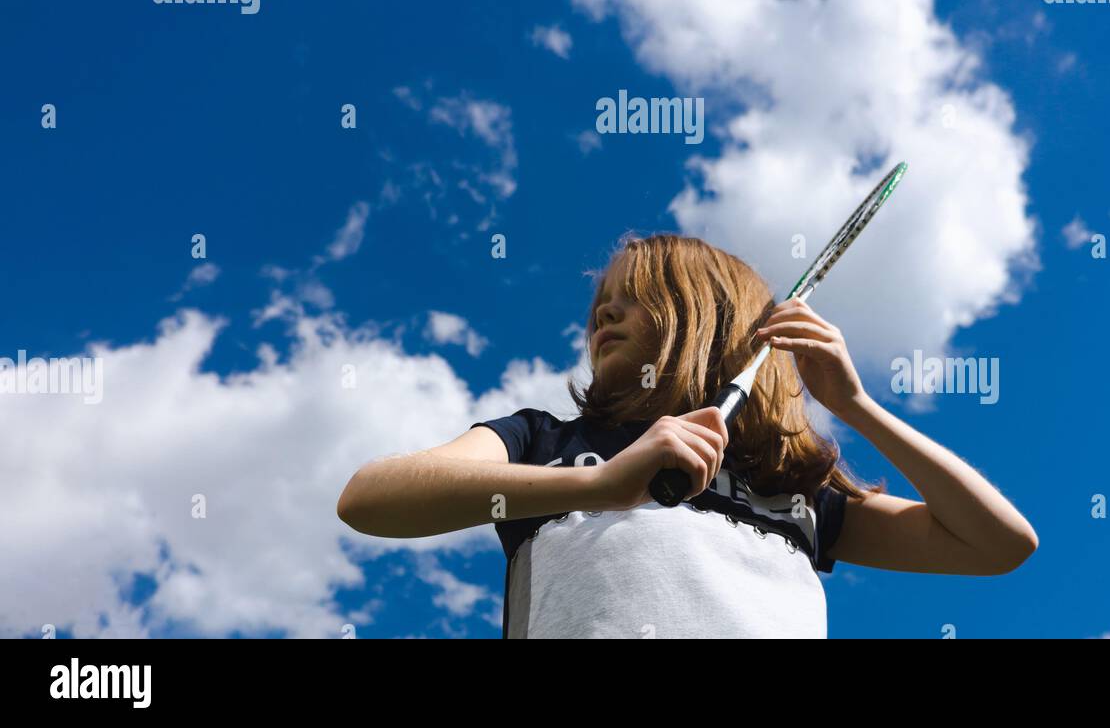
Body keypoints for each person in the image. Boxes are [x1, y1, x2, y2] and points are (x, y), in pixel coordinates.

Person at [337, 233, 1038, 638]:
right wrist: (600, 484)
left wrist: (856, 406)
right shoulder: (542, 441)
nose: (604, 313)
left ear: (708, 316)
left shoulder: (791, 490)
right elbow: (369, 497)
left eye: (636, 296)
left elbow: (999, 543)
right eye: (600, 304)